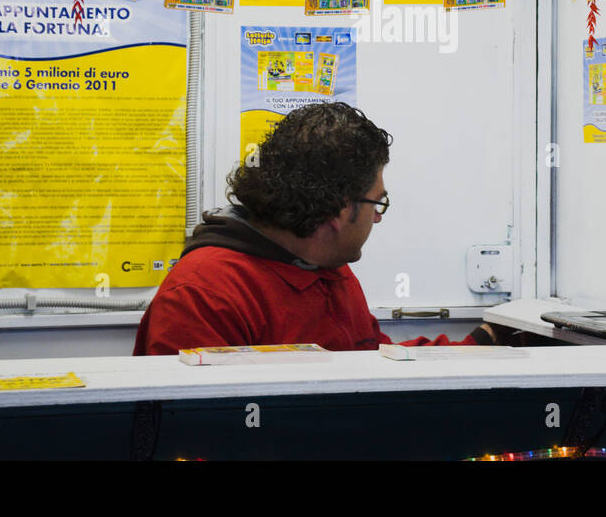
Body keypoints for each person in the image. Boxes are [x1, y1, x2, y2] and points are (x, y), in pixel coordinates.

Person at [134, 103, 505, 354]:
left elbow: (372, 363)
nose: (378, 217)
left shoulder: (328, 268)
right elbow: (194, 430)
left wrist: (485, 343)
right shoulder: (203, 295)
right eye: (376, 203)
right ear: (340, 210)